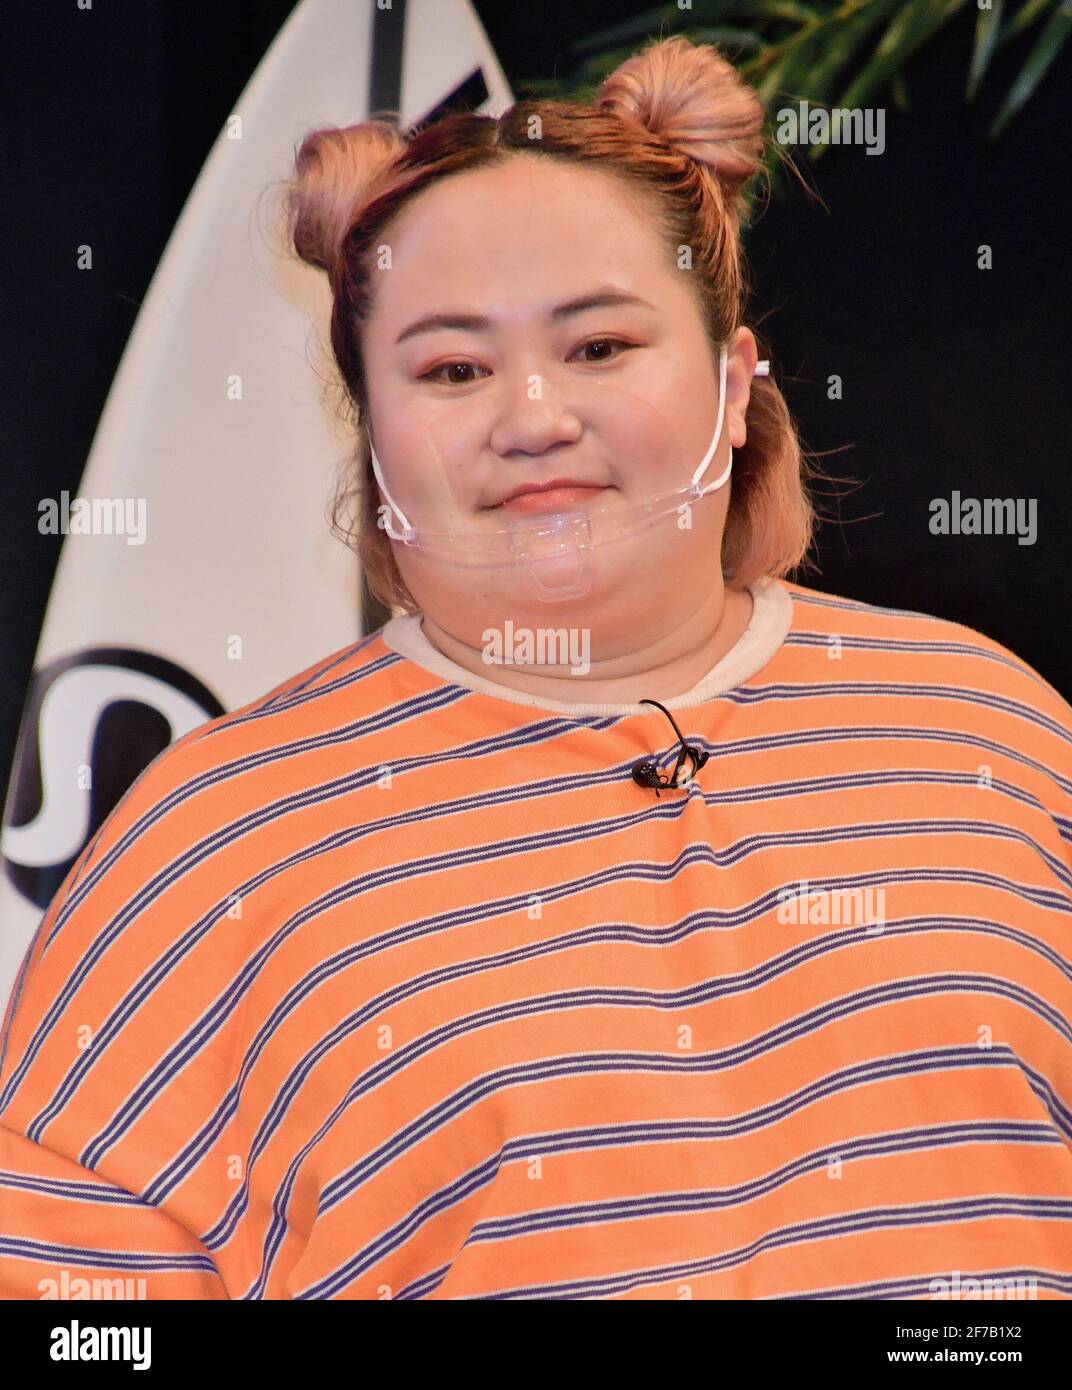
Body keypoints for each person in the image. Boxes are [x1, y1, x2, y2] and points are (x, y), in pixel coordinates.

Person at [2, 36, 1070, 1301]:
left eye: (600, 347)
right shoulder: (216, 837)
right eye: (452, 368)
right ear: (374, 436)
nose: (531, 416)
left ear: (735, 386)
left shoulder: (992, 732)